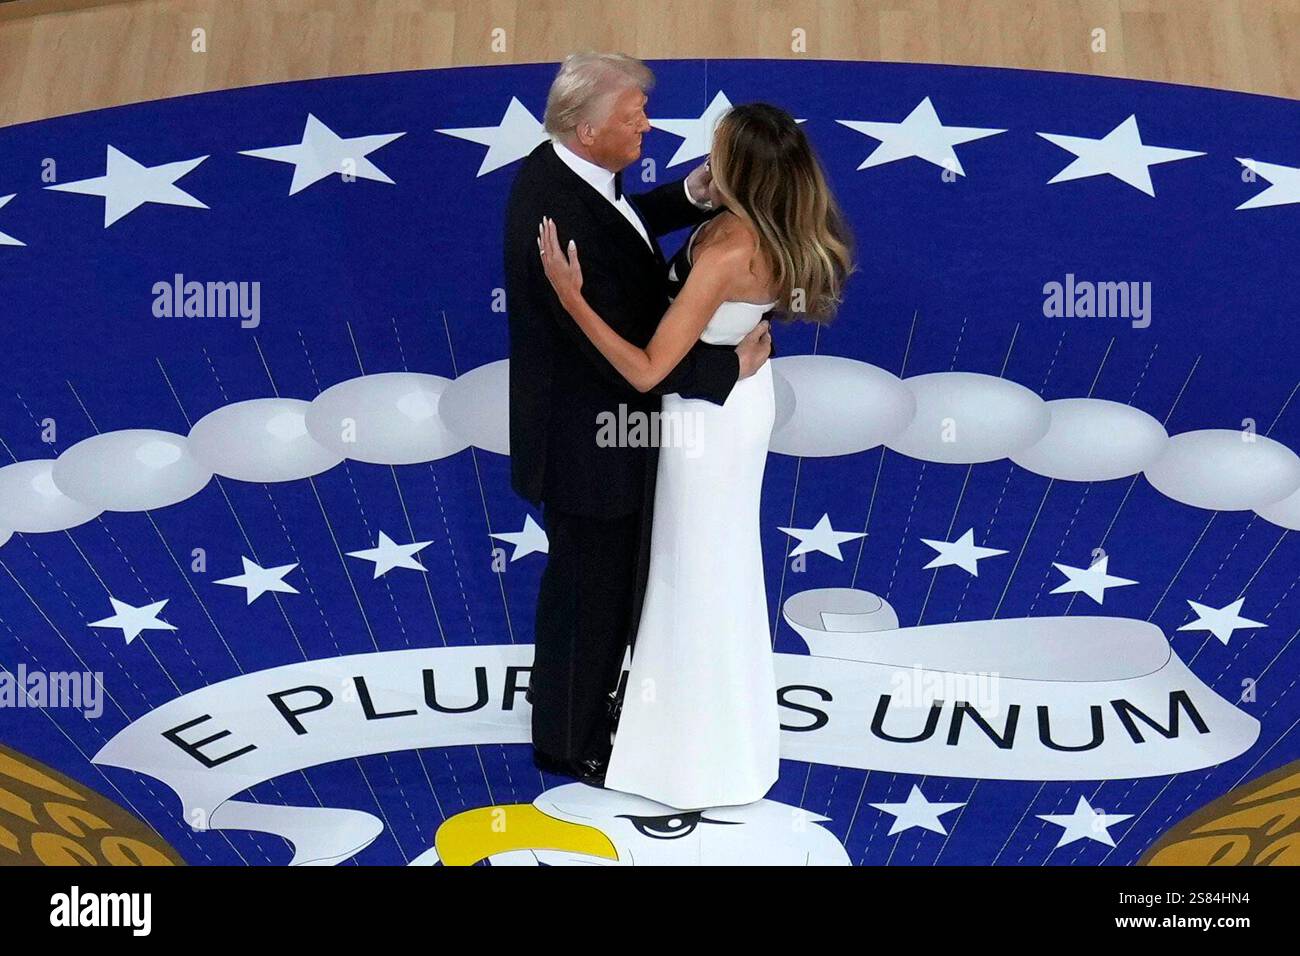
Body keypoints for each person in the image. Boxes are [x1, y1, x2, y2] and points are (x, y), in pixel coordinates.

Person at [537, 101, 855, 809]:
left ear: (743, 168)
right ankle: (703, 742)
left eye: (719, 150)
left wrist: (571, 296)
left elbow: (647, 370)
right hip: (731, 401)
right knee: (711, 568)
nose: (707, 156)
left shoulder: (729, 253)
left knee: (693, 574)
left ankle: (684, 760)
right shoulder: (769, 223)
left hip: (704, 428)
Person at [503, 52, 774, 784]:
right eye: (635, 117)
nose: (649, 126)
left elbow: (623, 230)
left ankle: (575, 708)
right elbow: (634, 357)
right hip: (590, 445)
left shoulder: (567, 171)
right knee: (590, 599)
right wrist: (729, 368)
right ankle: (569, 743)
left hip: (598, 430)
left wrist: (689, 195)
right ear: (588, 130)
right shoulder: (559, 217)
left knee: (598, 589)